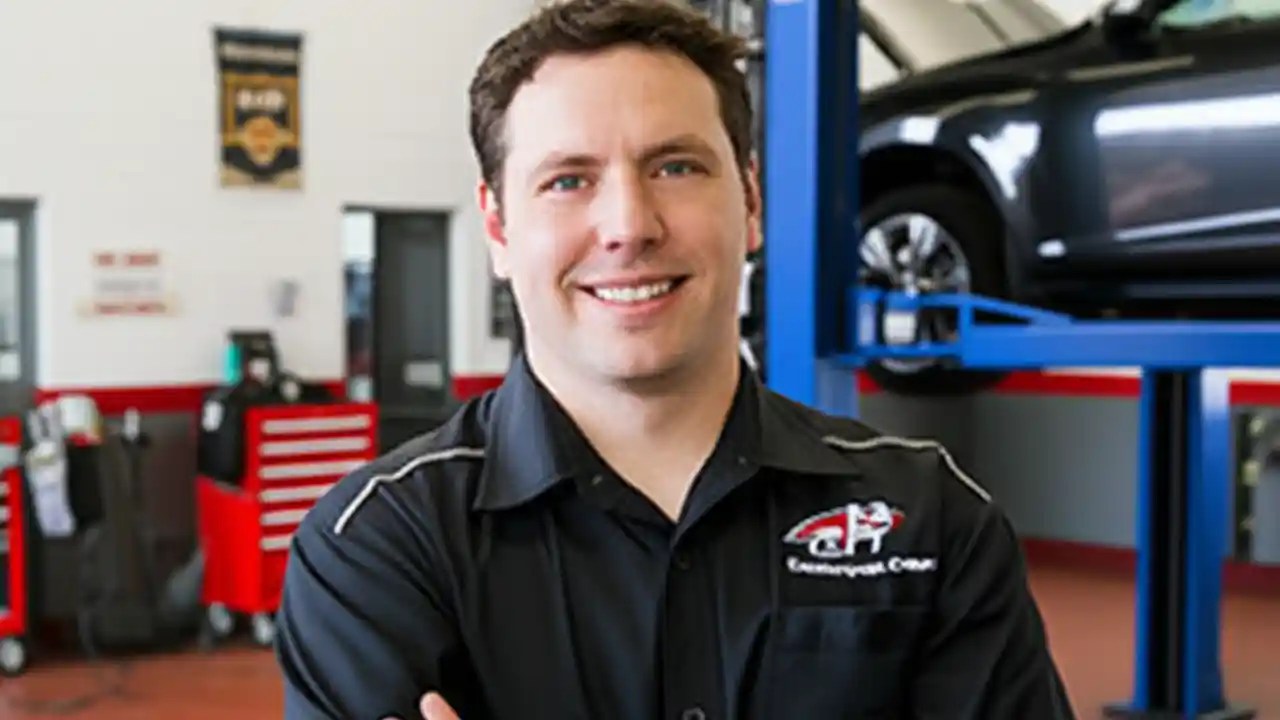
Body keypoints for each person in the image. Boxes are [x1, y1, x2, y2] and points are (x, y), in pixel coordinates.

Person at [274, 1, 1077, 718]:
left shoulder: (932, 521)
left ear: (751, 201)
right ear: (497, 229)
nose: (628, 224)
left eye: (675, 167)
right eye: (567, 180)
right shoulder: (377, 550)